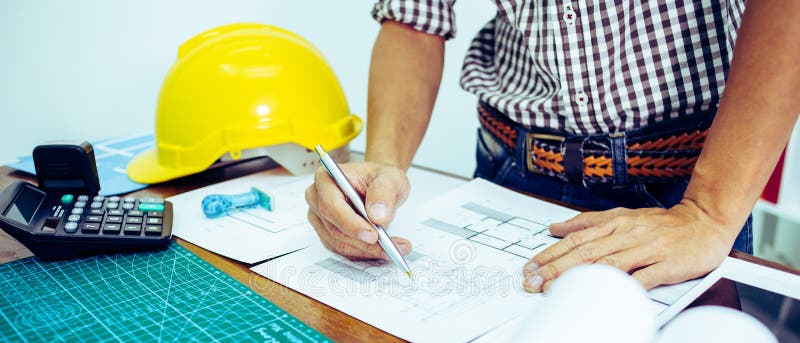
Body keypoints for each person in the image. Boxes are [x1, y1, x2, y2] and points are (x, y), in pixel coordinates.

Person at [305, 1, 800, 292]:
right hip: (507, 168)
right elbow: (415, 18)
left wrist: (709, 214)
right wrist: (386, 160)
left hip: (688, 188)